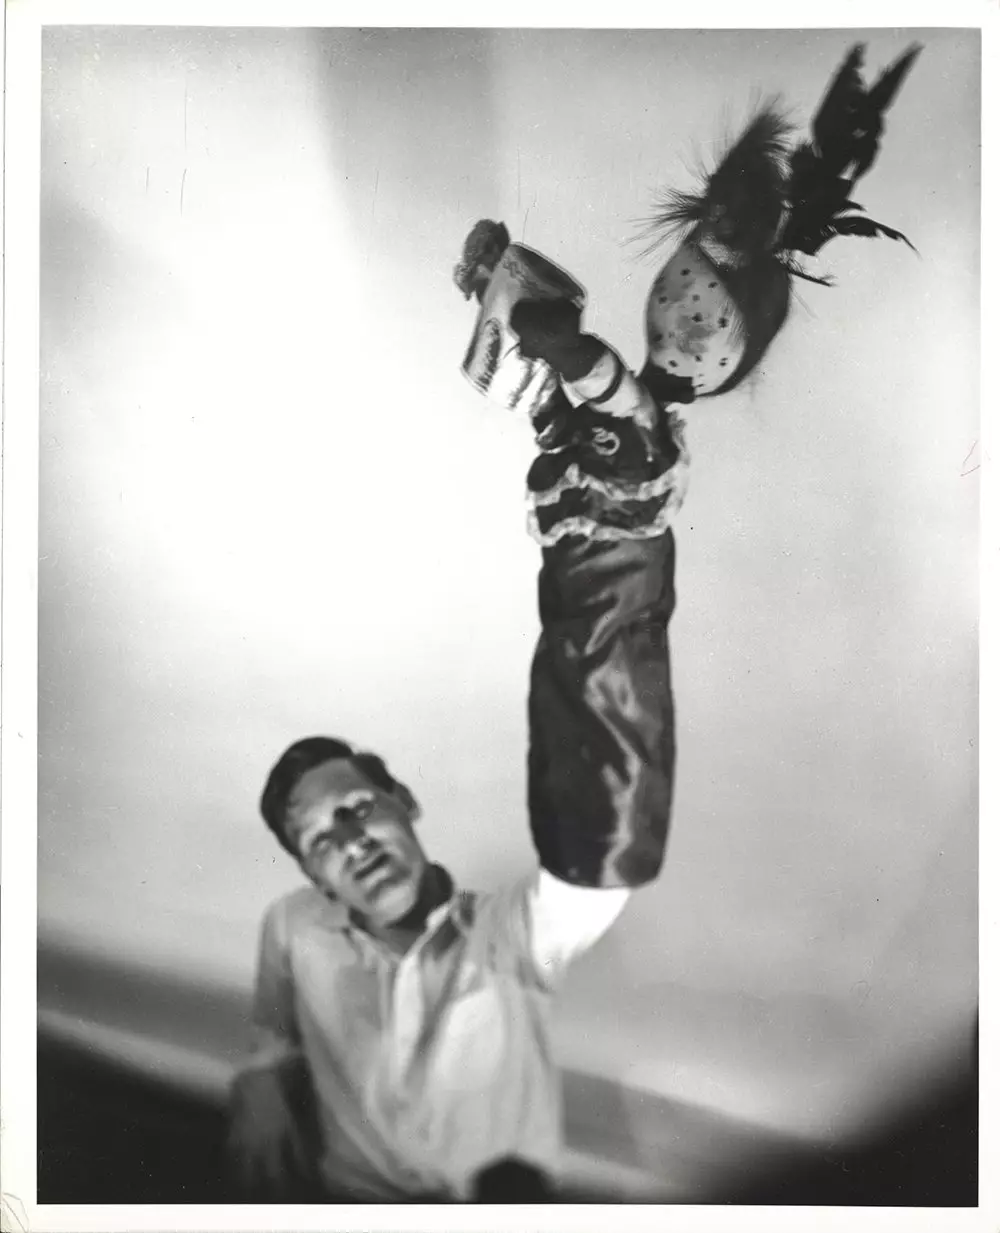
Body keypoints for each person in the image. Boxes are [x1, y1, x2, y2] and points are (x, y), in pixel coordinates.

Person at [227, 43, 920, 1204]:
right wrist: (264, 1062)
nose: (343, 840)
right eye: (318, 839)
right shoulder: (295, 929)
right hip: (328, 1198)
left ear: (408, 803)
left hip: (602, 599)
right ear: (305, 876)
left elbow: (583, 370)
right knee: (583, 679)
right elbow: (555, 376)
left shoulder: (508, 942)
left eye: (352, 806)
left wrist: (537, 319)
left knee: (592, 698)